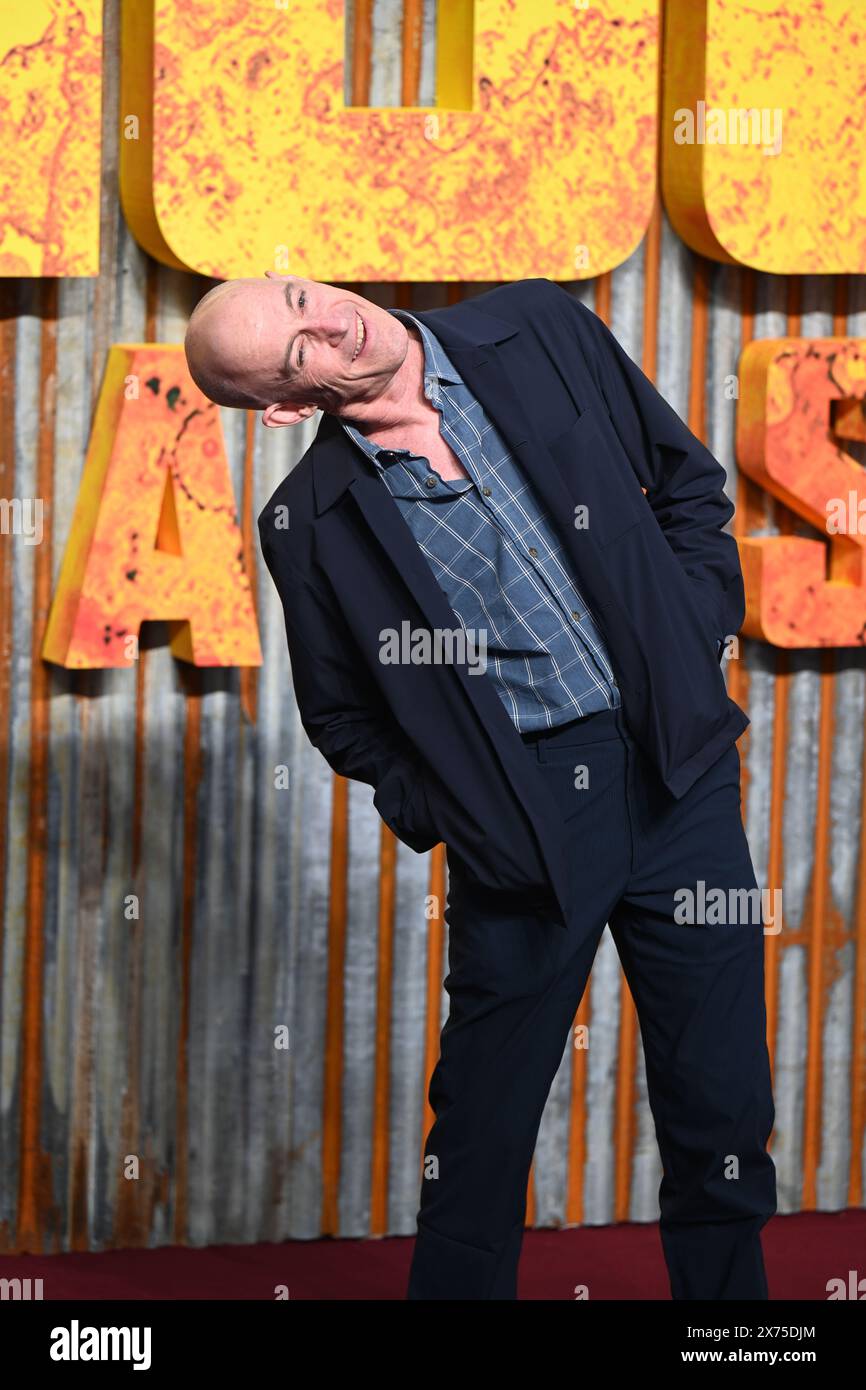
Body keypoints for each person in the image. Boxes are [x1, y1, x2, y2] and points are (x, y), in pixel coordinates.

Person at [184, 274, 777, 1300]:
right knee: (483, 1126)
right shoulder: (310, 523)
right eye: (296, 352)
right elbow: (340, 716)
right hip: (526, 815)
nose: (328, 322)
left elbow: (685, 485)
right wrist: (460, 808)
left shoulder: (534, 328)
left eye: (299, 297)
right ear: (285, 407)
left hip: (676, 774)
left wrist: (687, 642)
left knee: (719, 1099)